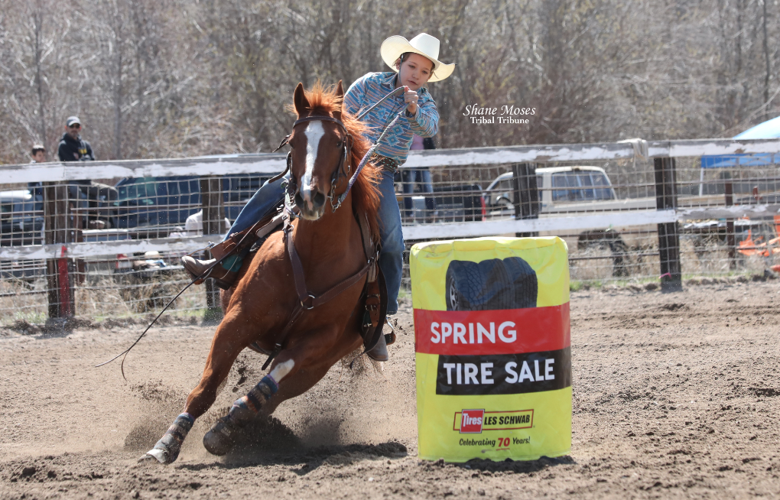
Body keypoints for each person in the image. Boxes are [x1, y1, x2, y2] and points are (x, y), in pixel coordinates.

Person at [183, 33, 454, 357]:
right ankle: (223, 258)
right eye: (412, 66)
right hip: (343, 159)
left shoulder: (423, 101)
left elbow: (430, 128)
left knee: (393, 239)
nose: (416, 75)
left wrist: (413, 110)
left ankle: (383, 315)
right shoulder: (368, 85)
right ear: (400, 63)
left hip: (379, 171)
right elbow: (338, 116)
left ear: (428, 77)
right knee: (272, 191)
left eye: (424, 71)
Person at [402, 135, 437, 222]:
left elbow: (431, 147)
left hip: (423, 164)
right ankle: (409, 214)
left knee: (428, 189)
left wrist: (433, 161)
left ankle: (432, 213)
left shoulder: (424, 131)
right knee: (408, 190)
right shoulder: (406, 131)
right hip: (409, 164)